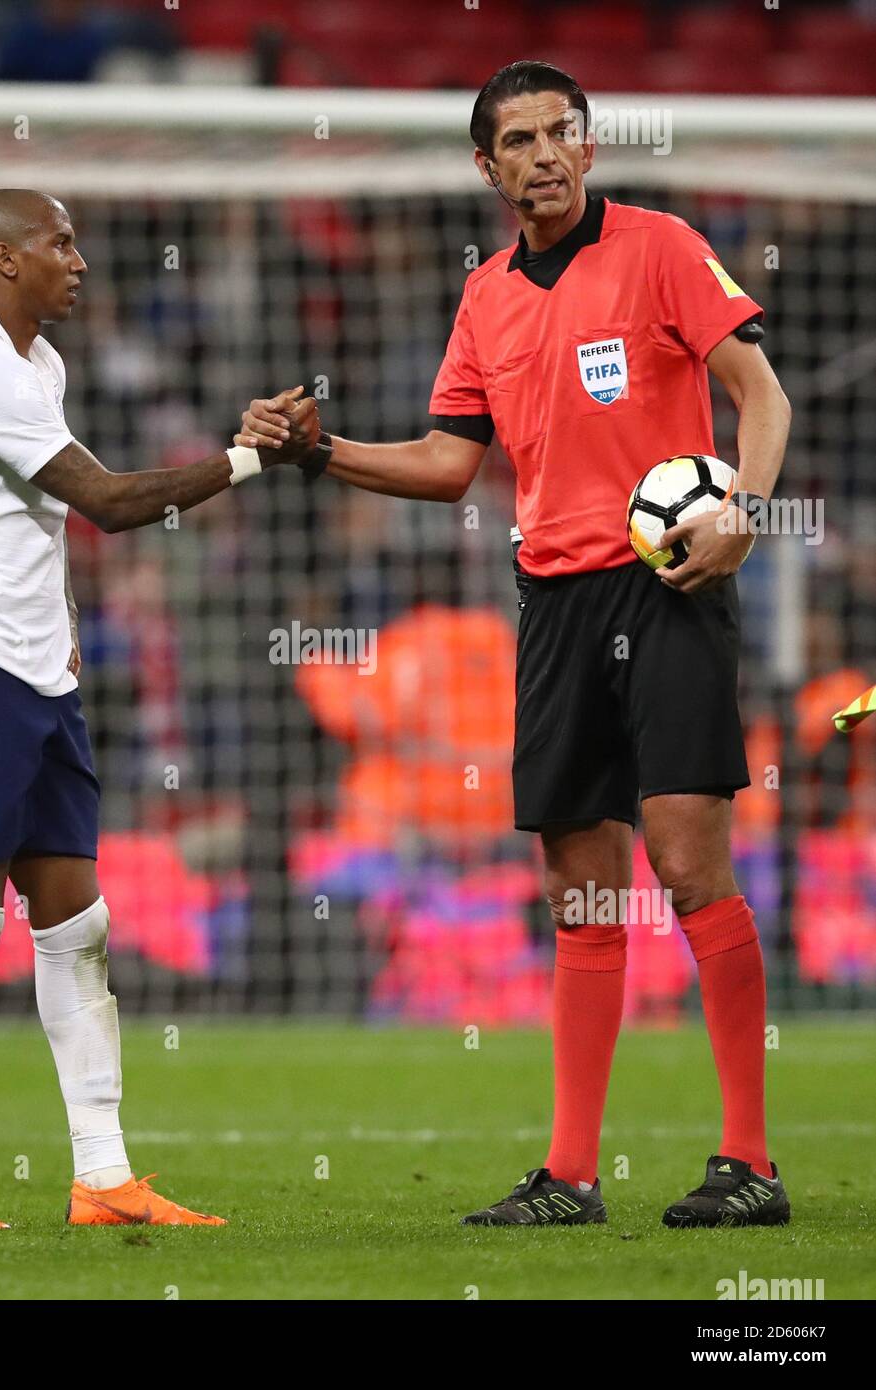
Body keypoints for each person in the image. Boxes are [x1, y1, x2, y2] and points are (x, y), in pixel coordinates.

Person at [236, 61, 793, 1229]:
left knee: (688, 867)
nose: (545, 153)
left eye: (562, 132)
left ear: (588, 147)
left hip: (668, 583)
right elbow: (448, 468)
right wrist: (318, 452)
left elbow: (760, 391)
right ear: (484, 168)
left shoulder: (661, 248)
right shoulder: (485, 296)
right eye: (520, 140)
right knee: (578, 889)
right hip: (553, 605)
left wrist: (742, 504)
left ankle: (749, 1160)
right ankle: (573, 1176)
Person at [0, 187, 320, 1229]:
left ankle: (103, 1178)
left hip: (37, 667)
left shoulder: (39, 363)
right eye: (58, 244)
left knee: (77, 920)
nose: (78, 261)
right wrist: (250, 456)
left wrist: (64, 618)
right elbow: (109, 504)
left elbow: (36, 519)